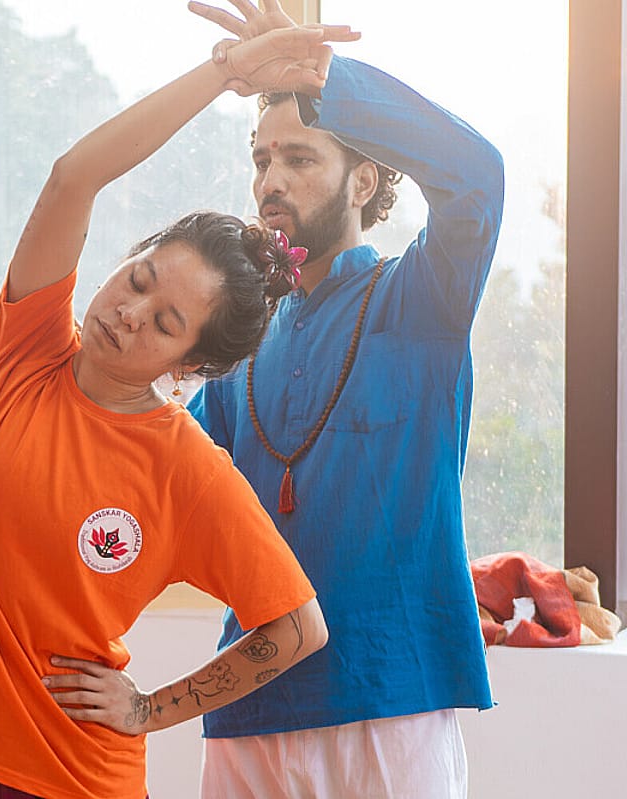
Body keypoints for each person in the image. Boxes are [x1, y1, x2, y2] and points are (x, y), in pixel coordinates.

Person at [0, 23, 363, 799]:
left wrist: (148, 708)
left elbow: (295, 627)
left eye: (168, 321)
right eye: (140, 277)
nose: (129, 311)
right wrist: (225, 72)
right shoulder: (29, 349)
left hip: (67, 777)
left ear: (193, 366)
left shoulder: (185, 466)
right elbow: (73, 177)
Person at [182, 2, 506, 796]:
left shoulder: (420, 301)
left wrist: (322, 76)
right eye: (261, 160)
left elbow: (477, 178)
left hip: (392, 704)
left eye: (298, 156)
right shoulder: (242, 345)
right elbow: (162, 478)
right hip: (250, 707)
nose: (271, 180)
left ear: (364, 177)